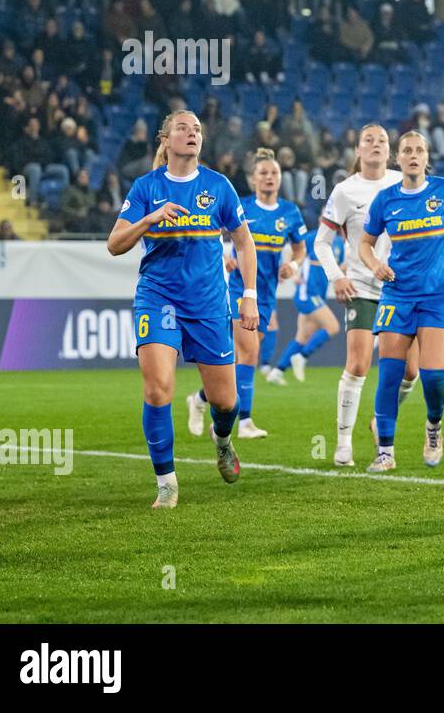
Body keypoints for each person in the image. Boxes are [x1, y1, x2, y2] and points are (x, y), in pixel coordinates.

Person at [105, 110, 256, 509]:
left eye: (197, 130)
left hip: (207, 304)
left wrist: (250, 295)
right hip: (159, 300)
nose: (192, 134)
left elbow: (244, 242)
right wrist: (150, 218)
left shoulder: (218, 186)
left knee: (226, 402)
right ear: (165, 139)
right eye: (183, 128)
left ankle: (222, 440)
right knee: (158, 388)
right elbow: (115, 243)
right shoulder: (145, 188)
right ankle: (167, 482)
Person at [359, 131, 444, 471]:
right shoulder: (385, 200)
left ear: (427, 157)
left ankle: (433, 427)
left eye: (420, 150)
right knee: (389, 374)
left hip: (439, 296)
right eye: (407, 150)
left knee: (432, 376)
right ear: (398, 159)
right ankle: (385, 451)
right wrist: (375, 266)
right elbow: (364, 243)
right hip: (398, 294)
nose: (413, 155)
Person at [186, 148, 305, 439]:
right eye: (263, 173)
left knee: (242, 360)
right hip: (241, 289)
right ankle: (245, 421)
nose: (269, 178)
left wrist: (292, 263)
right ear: (253, 179)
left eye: (274, 173)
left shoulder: (290, 212)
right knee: (250, 353)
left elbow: (301, 248)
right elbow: (216, 232)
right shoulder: (242, 206)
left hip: (266, 294)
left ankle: (200, 399)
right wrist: (225, 256)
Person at [315, 124, 411, 467]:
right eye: (368, 140)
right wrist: (336, 277)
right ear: (357, 150)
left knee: (411, 373)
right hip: (361, 287)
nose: (375, 144)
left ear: (390, 150)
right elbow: (321, 242)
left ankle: (380, 419)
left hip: (403, 289)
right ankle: (343, 443)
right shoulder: (344, 191)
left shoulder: (404, 183)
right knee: (358, 364)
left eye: (382, 140)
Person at [267, 227, 342, 385]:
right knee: (333, 327)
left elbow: (340, 267)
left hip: (319, 295)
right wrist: (293, 271)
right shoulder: (313, 237)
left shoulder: (339, 243)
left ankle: (277, 371)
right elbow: (290, 251)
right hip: (308, 294)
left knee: (302, 337)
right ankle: (301, 357)